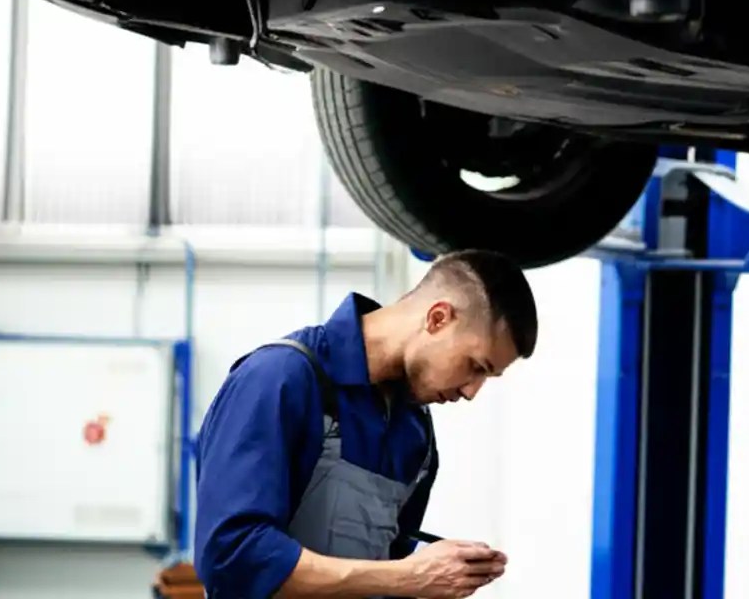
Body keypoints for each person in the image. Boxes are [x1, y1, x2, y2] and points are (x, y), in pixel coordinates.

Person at [193, 249, 539, 599]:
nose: (471, 392)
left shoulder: (414, 430)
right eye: (475, 366)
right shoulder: (279, 378)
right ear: (437, 319)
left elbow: (386, 560)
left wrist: (441, 568)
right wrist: (409, 576)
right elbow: (233, 558)